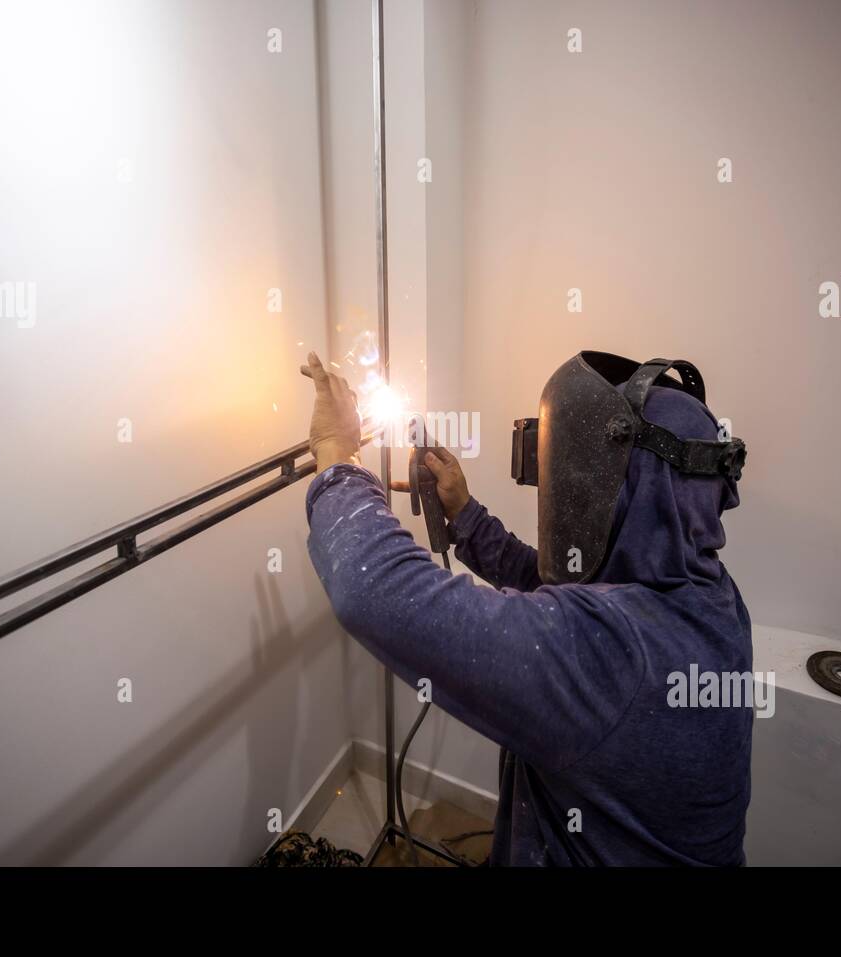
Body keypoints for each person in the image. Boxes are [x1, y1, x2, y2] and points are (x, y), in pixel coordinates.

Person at [301, 349, 752, 866]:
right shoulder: (710, 598)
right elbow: (564, 593)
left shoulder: (612, 653)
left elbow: (374, 589)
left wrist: (336, 455)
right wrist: (467, 518)